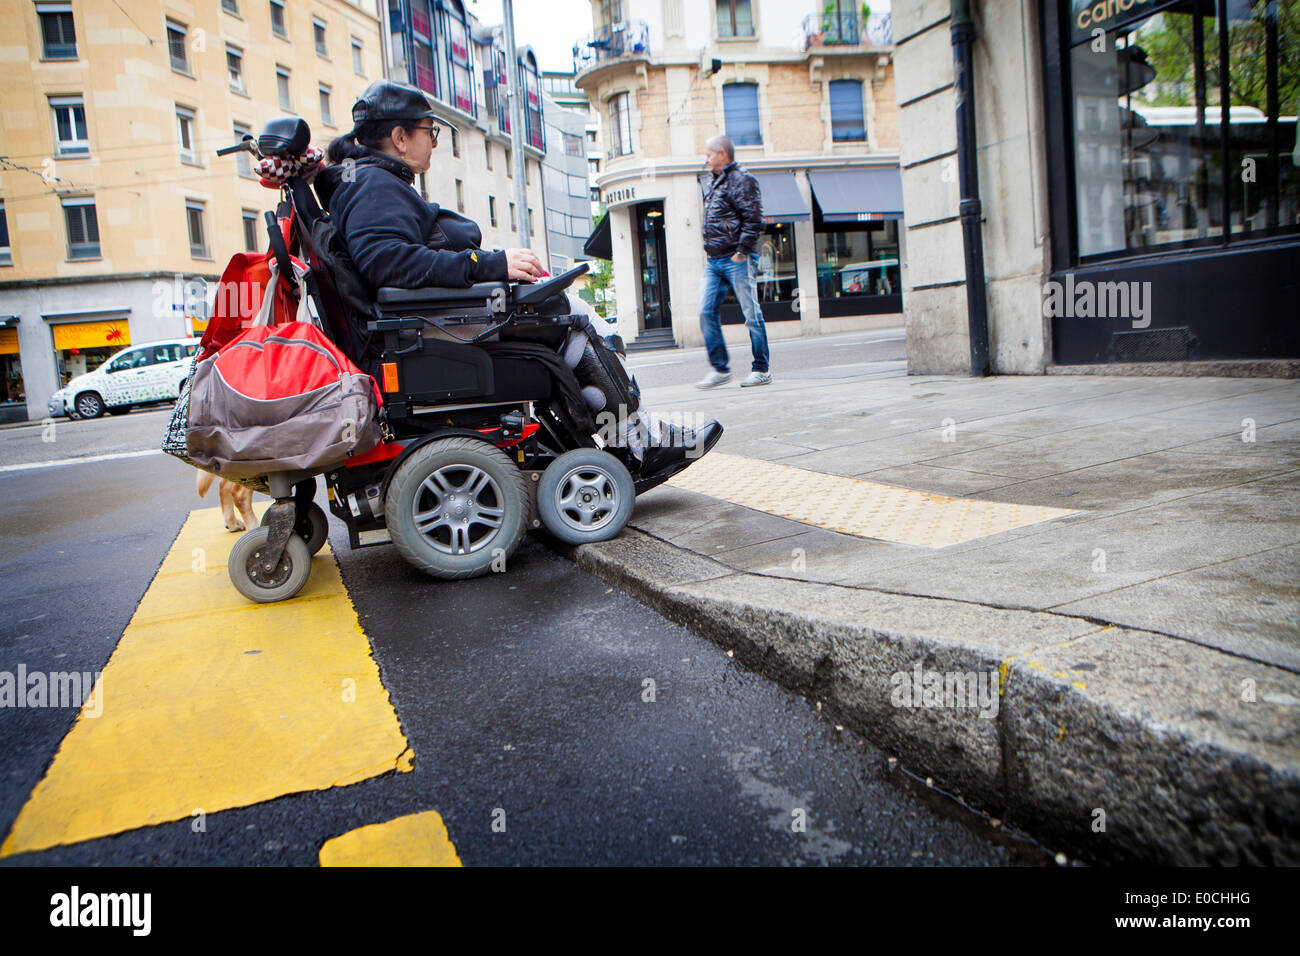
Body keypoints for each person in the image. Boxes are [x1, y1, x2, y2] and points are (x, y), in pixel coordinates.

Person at [314, 80, 718, 467]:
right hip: (423, 327)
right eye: (429, 132)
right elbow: (389, 265)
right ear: (400, 138)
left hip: (426, 321)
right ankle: (641, 443)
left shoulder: (366, 180)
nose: (434, 143)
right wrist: (490, 266)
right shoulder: (372, 186)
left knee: (564, 310)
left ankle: (633, 435)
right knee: (575, 315)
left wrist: (497, 271)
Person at [696, 135, 771, 389]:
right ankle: (720, 369)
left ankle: (761, 369)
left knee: (751, 314)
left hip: (736, 258)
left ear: (722, 154)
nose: (705, 159)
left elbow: (755, 219)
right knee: (705, 311)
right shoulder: (714, 181)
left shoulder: (742, 179)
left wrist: (741, 251)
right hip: (714, 260)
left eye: (709, 154)